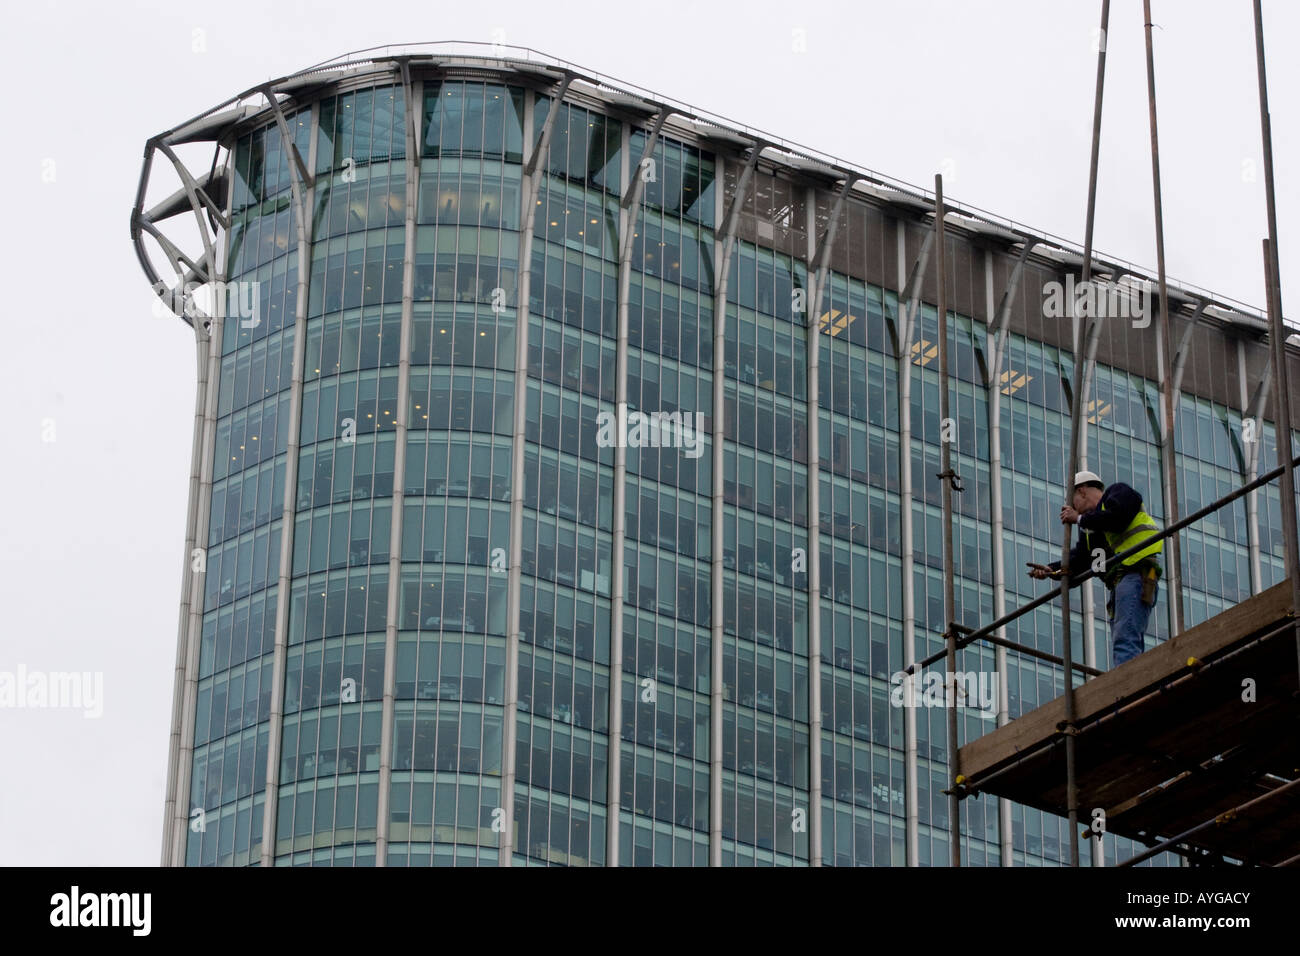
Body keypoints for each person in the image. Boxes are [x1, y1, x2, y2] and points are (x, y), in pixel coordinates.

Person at [1027, 471, 1163, 667]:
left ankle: (1129, 685)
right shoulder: (1092, 529)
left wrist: (1080, 519)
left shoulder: (1117, 493)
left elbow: (1118, 518)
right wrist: (1052, 570)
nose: (1074, 509)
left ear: (1081, 492)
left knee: (1126, 637)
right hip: (1121, 583)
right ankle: (1130, 680)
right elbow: (1081, 560)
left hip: (1136, 573)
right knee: (1123, 637)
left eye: (1074, 503)